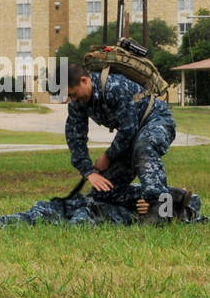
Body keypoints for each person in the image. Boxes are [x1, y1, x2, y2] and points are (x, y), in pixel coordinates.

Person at [65, 62, 177, 221]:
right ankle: (169, 197)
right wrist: (88, 172)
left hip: (157, 120)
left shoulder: (114, 87)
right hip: (132, 136)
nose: (73, 99)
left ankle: (160, 210)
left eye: (74, 94)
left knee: (143, 146)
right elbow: (75, 137)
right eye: (70, 96)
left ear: (84, 81)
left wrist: (108, 156)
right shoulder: (77, 103)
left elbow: (128, 128)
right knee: (103, 191)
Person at [0, 184, 206, 229]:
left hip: (93, 214)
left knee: (51, 222)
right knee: (36, 213)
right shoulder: (143, 188)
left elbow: (190, 204)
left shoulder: (187, 212)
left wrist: (147, 211)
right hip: (82, 202)